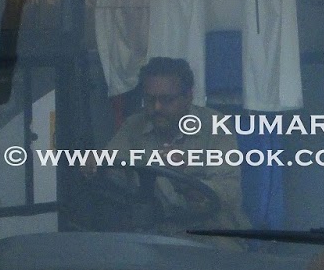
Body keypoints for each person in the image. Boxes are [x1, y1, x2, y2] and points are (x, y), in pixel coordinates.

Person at [98, 56, 250, 235]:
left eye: (167, 100)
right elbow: (111, 167)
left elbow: (229, 195)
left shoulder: (216, 127)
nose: (157, 108)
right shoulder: (134, 126)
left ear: (188, 97)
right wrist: (95, 165)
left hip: (210, 232)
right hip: (153, 234)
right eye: (149, 100)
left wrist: (184, 178)